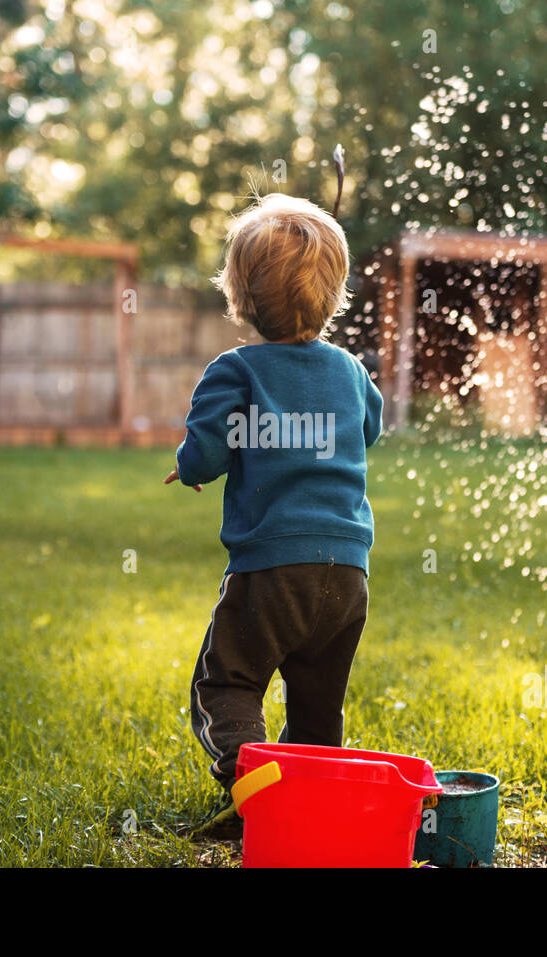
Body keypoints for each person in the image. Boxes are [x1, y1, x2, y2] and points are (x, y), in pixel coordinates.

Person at [165, 193, 383, 834]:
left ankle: (248, 778)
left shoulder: (235, 369)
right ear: (333, 294)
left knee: (226, 683)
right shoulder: (349, 369)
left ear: (241, 295)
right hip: (347, 572)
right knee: (318, 704)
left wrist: (191, 464)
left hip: (270, 567)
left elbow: (206, 449)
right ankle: (306, 809)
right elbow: (369, 428)